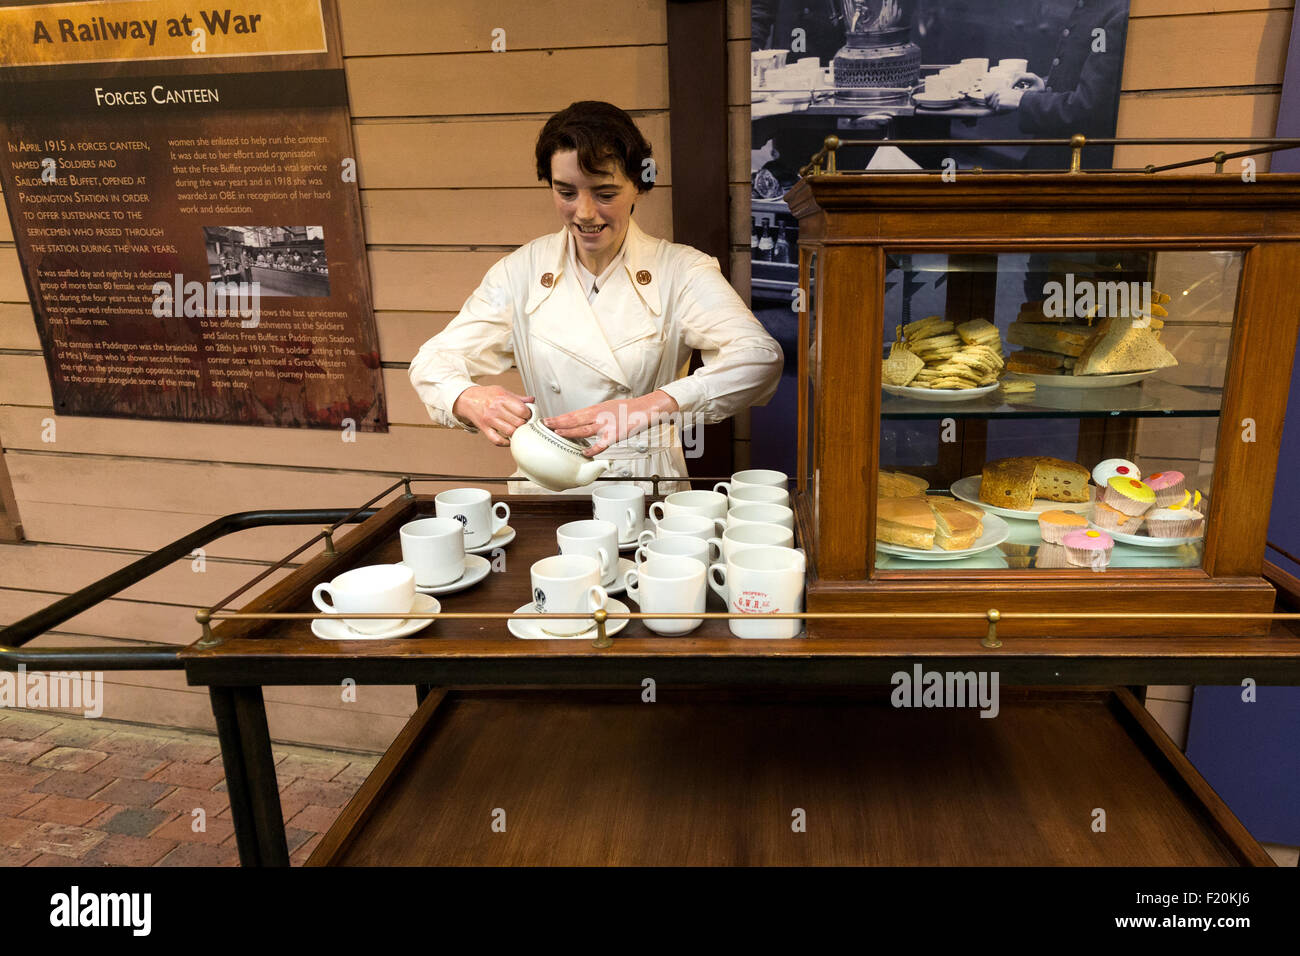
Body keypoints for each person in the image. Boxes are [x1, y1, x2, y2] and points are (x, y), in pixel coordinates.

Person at [409, 100, 784, 494]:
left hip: (647, 485)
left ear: (638, 184)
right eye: (566, 192)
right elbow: (432, 362)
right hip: (549, 484)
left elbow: (760, 359)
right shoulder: (519, 273)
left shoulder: (681, 271)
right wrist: (466, 397)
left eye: (605, 193)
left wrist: (651, 406)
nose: (585, 213)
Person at [987, 0, 1129, 169]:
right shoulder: (1096, 7)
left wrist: (1023, 100)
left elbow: (1088, 106)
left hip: (1074, 164)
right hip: (1054, 155)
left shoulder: (1117, 14)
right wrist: (1044, 85)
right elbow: (1082, 80)